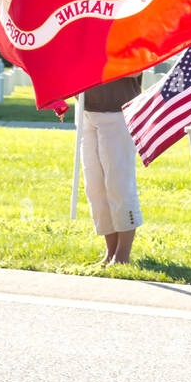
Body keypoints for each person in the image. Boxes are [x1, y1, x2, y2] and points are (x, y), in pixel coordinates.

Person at [80, 74, 144, 265]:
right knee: (95, 186)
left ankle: (122, 253)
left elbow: (136, 69)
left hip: (118, 112)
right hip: (86, 111)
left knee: (119, 184)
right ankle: (110, 251)